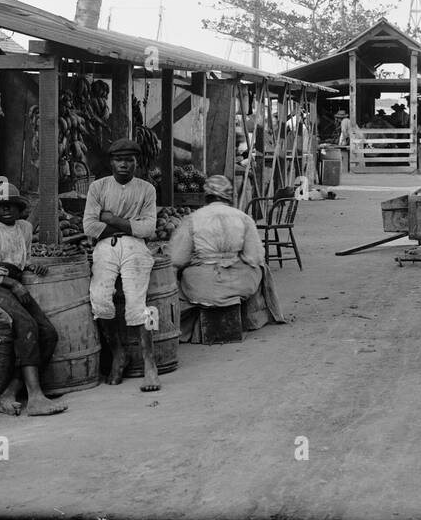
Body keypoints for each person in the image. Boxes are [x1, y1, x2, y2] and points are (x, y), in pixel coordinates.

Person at [0, 182, 67, 417]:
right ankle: (35, 396)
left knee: (48, 332)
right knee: (26, 325)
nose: (6, 210)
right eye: (1, 206)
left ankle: (10, 393)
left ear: (19, 208)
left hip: (14, 283)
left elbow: (20, 257)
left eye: (11, 205)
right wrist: (12, 283)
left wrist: (31, 266)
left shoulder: (23, 228)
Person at [169, 174, 286, 339]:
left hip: (202, 289)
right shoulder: (244, 218)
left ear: (206, 196)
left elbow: (177, 259)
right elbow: (255, 257)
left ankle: (185, 322)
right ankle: (253, 316)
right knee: (262, 268)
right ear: (229, 197)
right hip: (240, 286)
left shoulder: (192, 219)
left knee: (178, 275)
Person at [83, 139, 160, 390]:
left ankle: (150, 362)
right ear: (111, 162)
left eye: (129, 160)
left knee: (139, 303)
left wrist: (112, 218)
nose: (124, 165)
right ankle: (119, 353)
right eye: (119, 160)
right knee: (100, 299)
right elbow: (90, 226)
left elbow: (148, 228)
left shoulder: (147, 189)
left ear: (136, 162)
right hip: (106, 246)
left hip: (136, 247)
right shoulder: (98, 187)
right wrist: (129, 225)